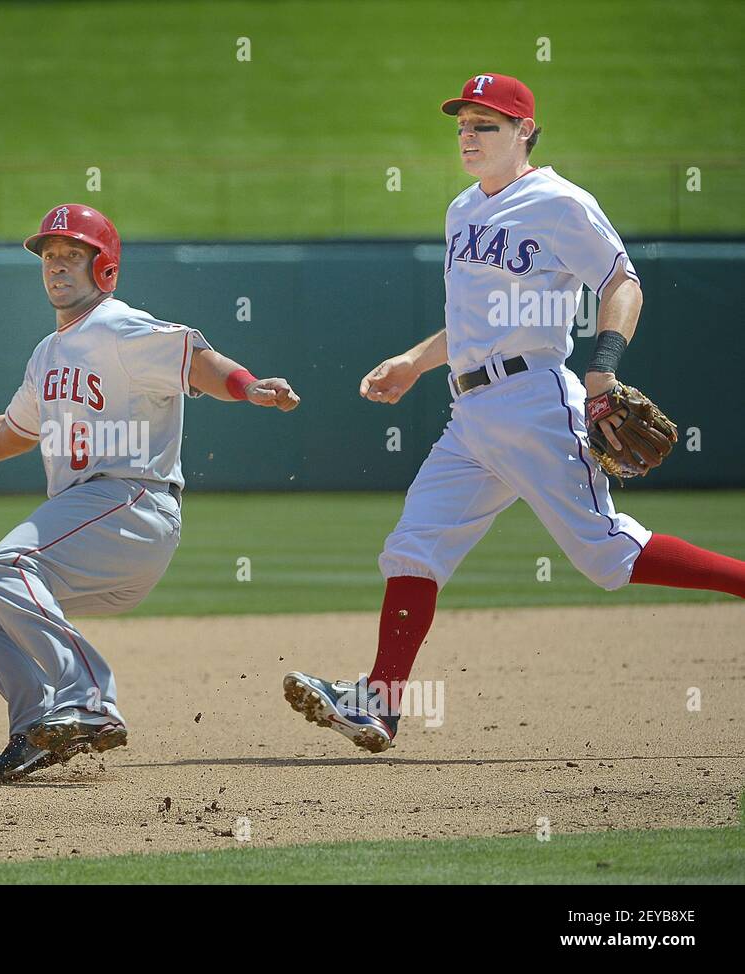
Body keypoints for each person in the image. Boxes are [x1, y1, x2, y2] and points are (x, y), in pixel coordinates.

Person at [284, 73, 745, 754]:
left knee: (607, 555)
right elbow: (469, 321)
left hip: (534, 402)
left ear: (525, 132)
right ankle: (379, 706)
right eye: (464, 124)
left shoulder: (559, 203)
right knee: (413, 547)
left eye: (487, 125)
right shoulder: (462, 210)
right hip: (469, 414)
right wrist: (414, 362)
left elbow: (622, 281)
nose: (469, 136)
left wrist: (603, 369)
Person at [0, 203, 300, 782]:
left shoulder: (119, 326)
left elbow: (197, 361)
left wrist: (249, 387)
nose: (56, 265)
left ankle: (90, 699)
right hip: (91, 523)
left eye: (72, 255)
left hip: (132, 503)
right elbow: (13, 431)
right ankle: (37, 725)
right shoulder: (47, 353)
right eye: (49, 255)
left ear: (106, 270)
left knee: (7, 565)